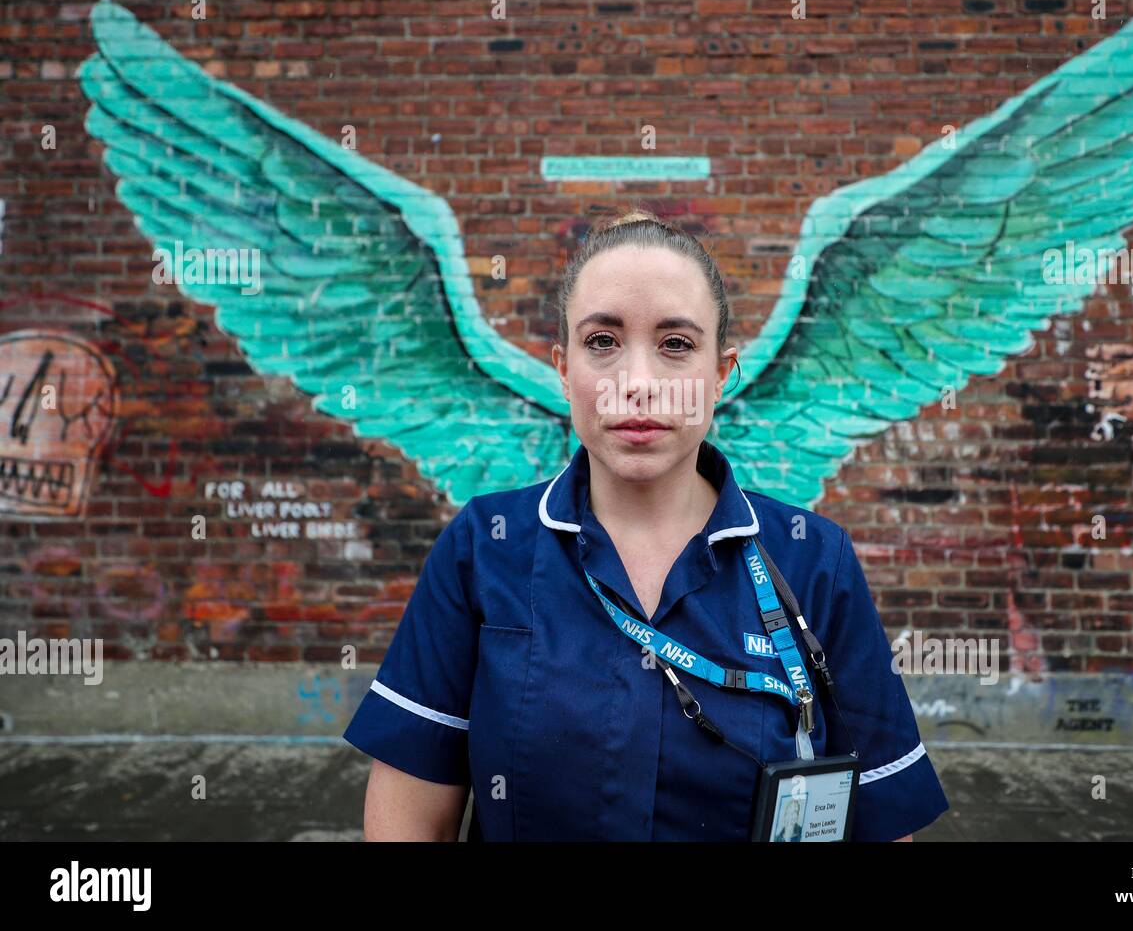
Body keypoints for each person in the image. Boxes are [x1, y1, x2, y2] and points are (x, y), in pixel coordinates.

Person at [342, 209, 950, 841]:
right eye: (602, 343)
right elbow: (410, 821)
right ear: (562, 367)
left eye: (676, 345)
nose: (638, 384)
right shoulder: (482, 548)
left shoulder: (815, 562)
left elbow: (881, 824)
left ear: (720, 375)